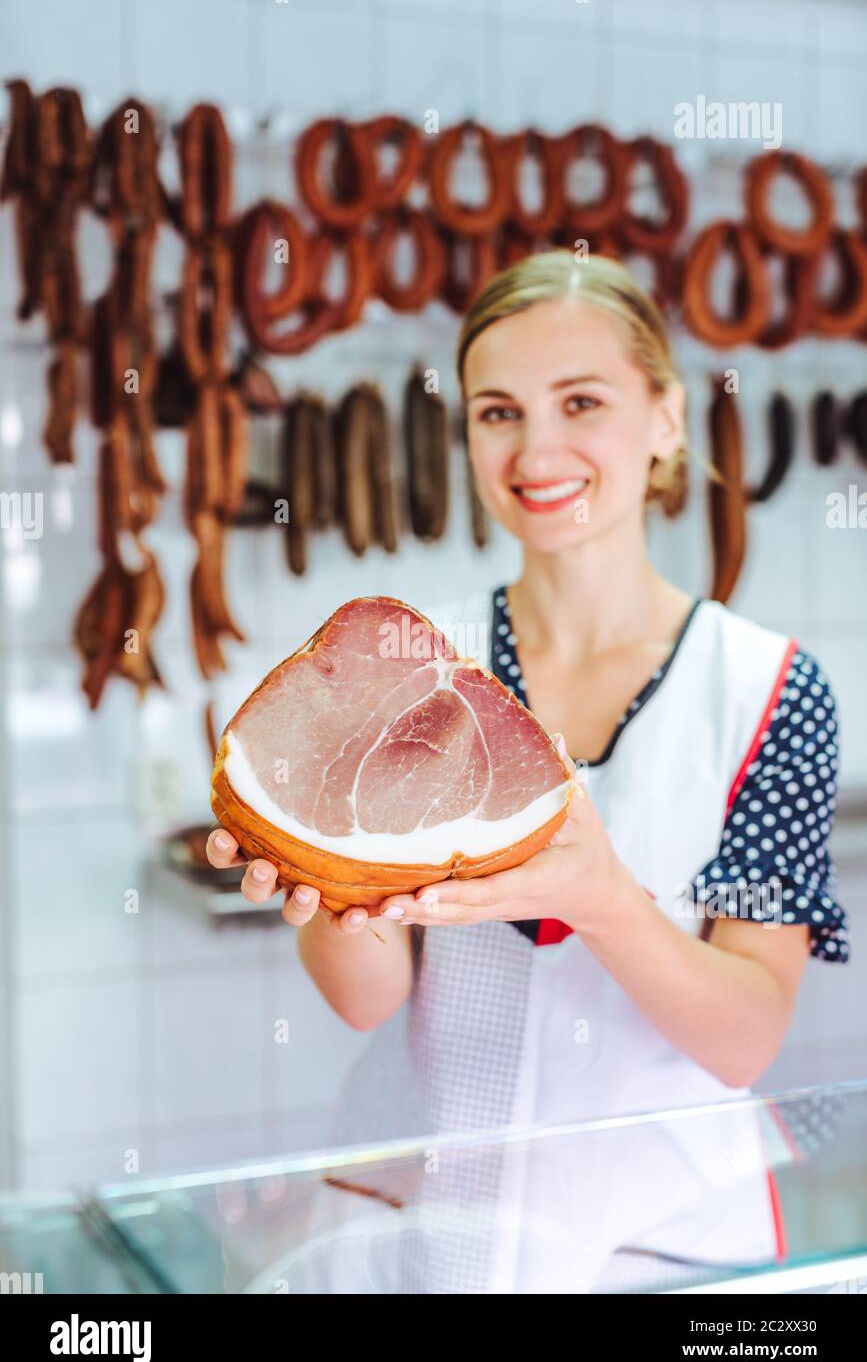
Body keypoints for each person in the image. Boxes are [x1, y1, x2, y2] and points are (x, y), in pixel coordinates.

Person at [207, 250, 849, 1293]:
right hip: (425, 1227)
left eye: (581, 402)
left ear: (667, 419)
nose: (536, 448)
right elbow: (369, 1001)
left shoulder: (769, 691)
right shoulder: (415, 661)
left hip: (667, 1242)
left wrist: (603, 897)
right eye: (497, 411)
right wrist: (329, 886)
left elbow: (744, 1038)